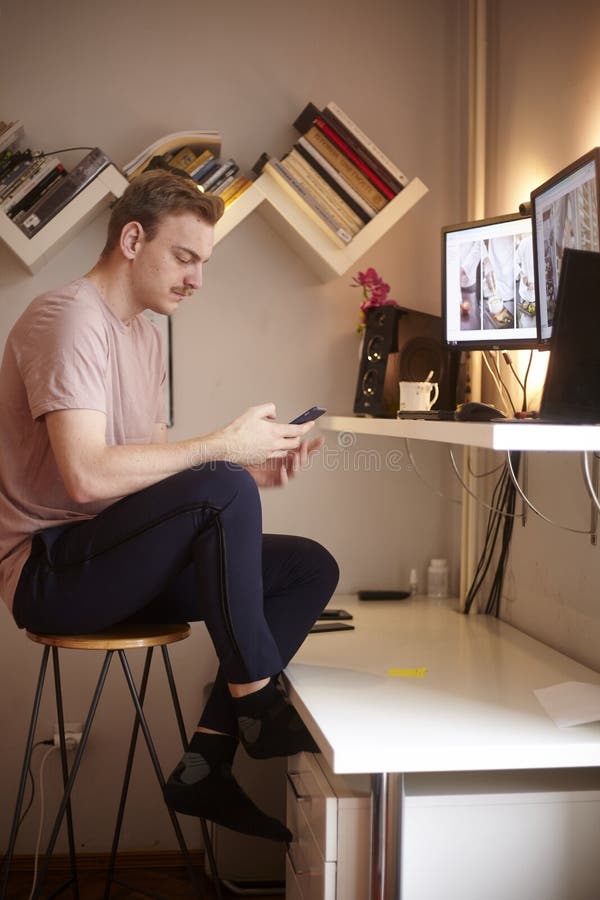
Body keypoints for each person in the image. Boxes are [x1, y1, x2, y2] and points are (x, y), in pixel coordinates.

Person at [0, 169, 339, 843]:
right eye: (185, 258)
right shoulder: (67, 318)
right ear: (132, 239)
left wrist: (250, 472)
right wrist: (223, 457)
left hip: (113, 561)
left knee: (308, 567)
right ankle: (258, 702)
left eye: (203, 264)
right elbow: (86, 478)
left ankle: (206, 762)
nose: (196, 280)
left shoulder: (146, 337)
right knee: (220, 482)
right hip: (50, 573)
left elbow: (152, 486)